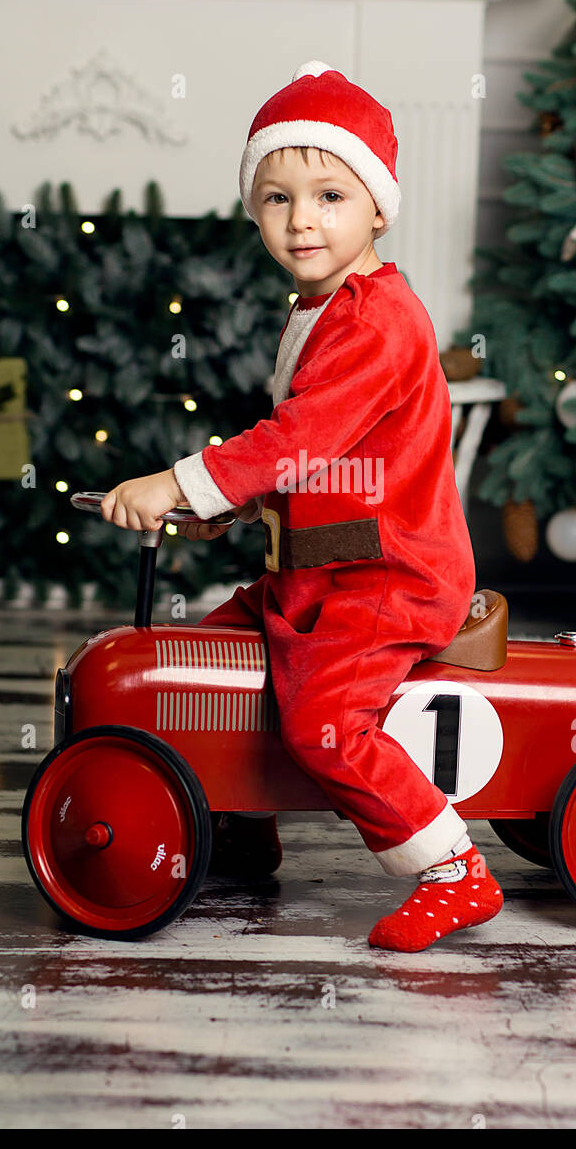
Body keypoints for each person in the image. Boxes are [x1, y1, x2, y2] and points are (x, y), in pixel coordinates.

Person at [100, 61, 503, 951]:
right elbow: (311, 460)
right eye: (277, 199)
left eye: (329, 194)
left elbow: (295, 440)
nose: (302, 220)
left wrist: (177, 481)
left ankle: (451, 869)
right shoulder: (321, 308)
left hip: (388, 572)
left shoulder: (376, 320)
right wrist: (226, 513)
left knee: (324, 718)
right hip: (320, 562)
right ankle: (244, 816)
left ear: (379, 207)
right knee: (211, 657)